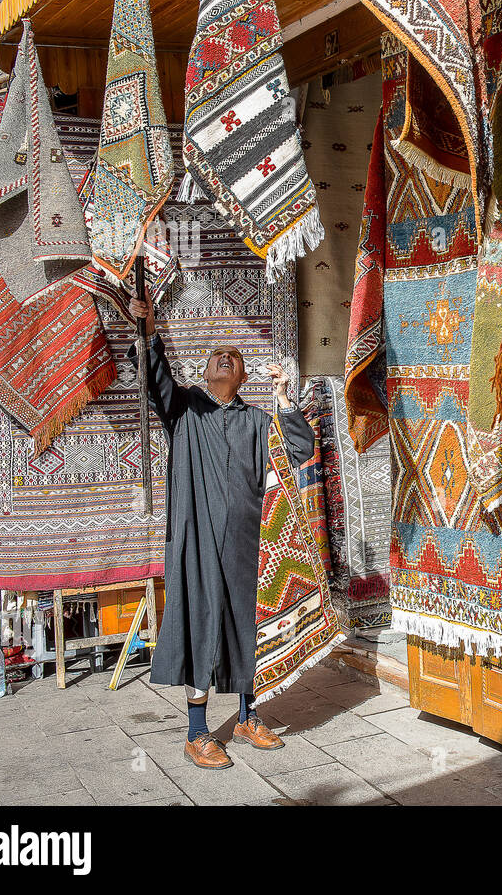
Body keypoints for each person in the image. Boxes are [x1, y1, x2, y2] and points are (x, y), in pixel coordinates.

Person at [129, 296, 316, 769]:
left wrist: (285, 401)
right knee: (201, 626)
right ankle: (195, 732)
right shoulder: (185, 409)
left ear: (243, 378)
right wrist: (149, 330)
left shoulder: (257, 421)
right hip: (195, 544)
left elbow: (299, 448)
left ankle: (248, 715)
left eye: (234, 357)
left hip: (245, 546)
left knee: (245, 626)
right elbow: (157, 381)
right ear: (204, 370)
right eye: (216, 355)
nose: (224, 358)